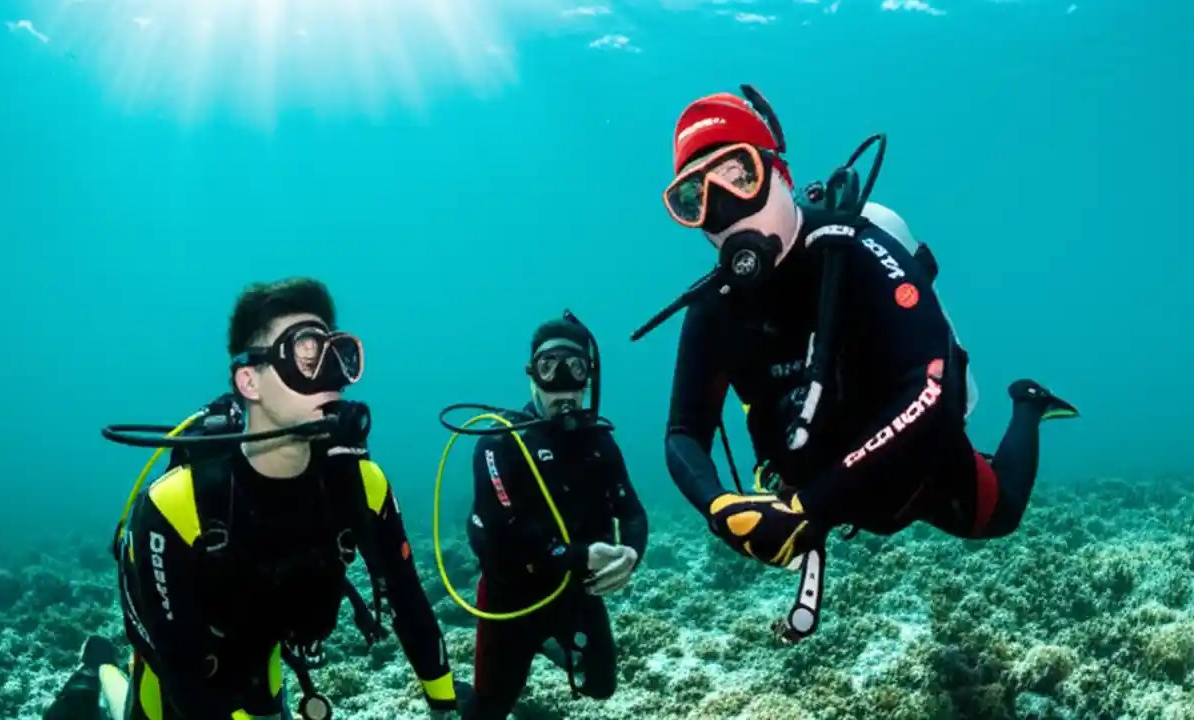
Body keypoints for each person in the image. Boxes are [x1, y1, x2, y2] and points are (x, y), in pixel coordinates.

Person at [640, 87, 1078, 577]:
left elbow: (933, 388)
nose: (723, 210)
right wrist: (719, 507)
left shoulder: (858, 249)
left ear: (781, 174)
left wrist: (811, 507)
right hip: (816, 491)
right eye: (694, 198)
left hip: (912, 467)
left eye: (738, 176)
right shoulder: (714, 309)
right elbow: (683, 433)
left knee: (1002, 512)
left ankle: (1028, 402)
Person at [52, 278, 460, 719]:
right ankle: (100, 673)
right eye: (307, 354)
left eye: (337, 355)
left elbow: (408, 601)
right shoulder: (178, 504)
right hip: (180, 671)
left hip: (261, 652)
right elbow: (180, 670)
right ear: (249, 381)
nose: (332, 377)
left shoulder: (361, 486)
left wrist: (445, 703)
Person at [457, 314, 649, 720]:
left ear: (588, 378)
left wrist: (632, 553)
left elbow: (631, 511)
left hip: (575, 590)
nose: (562, 382)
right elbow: (503, 534)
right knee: (488, 711)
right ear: (532, 376)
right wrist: (580, 556)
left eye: (574, 367)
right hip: (510, 599)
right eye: (549, 367)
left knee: (601, 686)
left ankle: (549, 643)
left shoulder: (599, 444)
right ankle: (461, 696)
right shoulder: (500, 443)